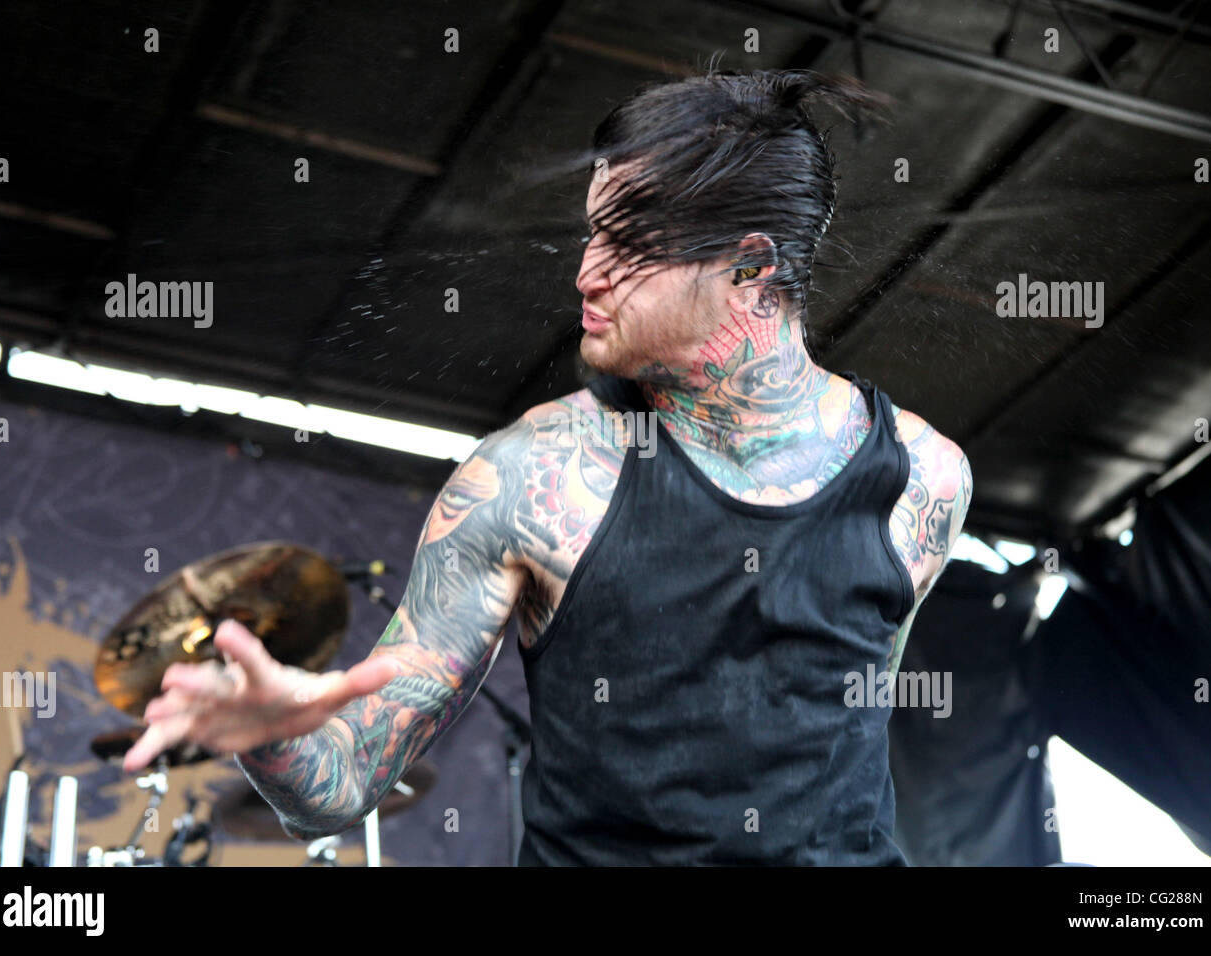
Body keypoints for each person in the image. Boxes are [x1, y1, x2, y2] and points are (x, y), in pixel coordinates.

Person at [125, 68, 971, 865]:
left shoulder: (928, 480)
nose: (586, 273)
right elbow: (339, 787)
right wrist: (271, 731)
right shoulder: (530, 476)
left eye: (629, 241)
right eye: (591, 234)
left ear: (751, 267)